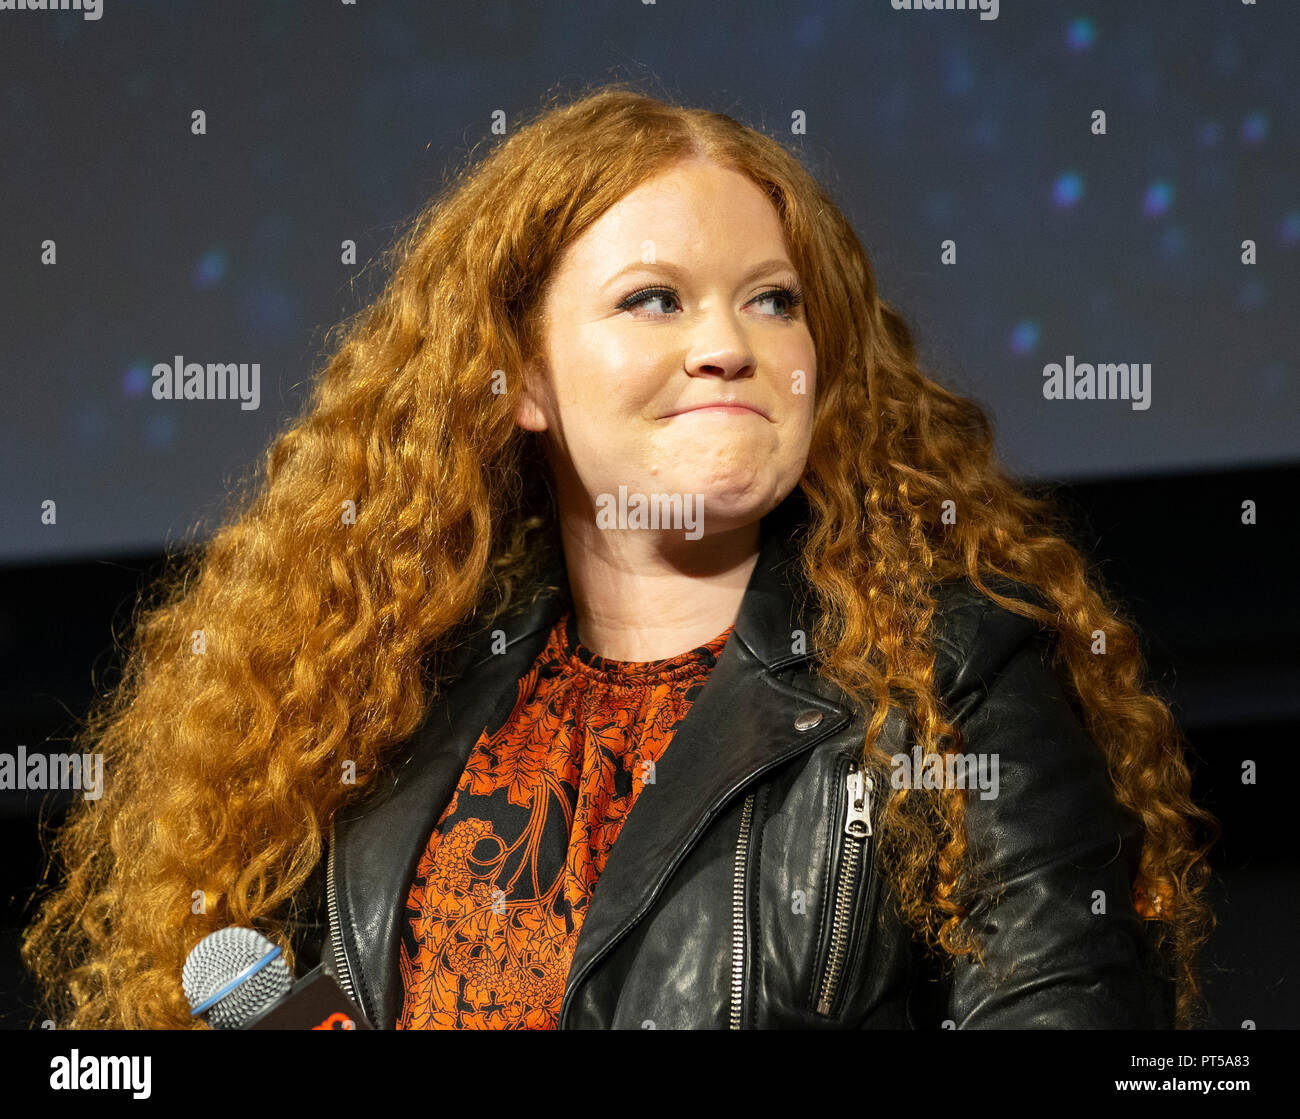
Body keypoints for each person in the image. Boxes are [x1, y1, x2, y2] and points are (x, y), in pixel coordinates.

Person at [21, 83, 1215, 1030]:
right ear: (523, 378)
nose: (725, 347)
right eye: (654, 300)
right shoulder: (370, 706)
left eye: (772, 301)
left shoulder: (955, 683)